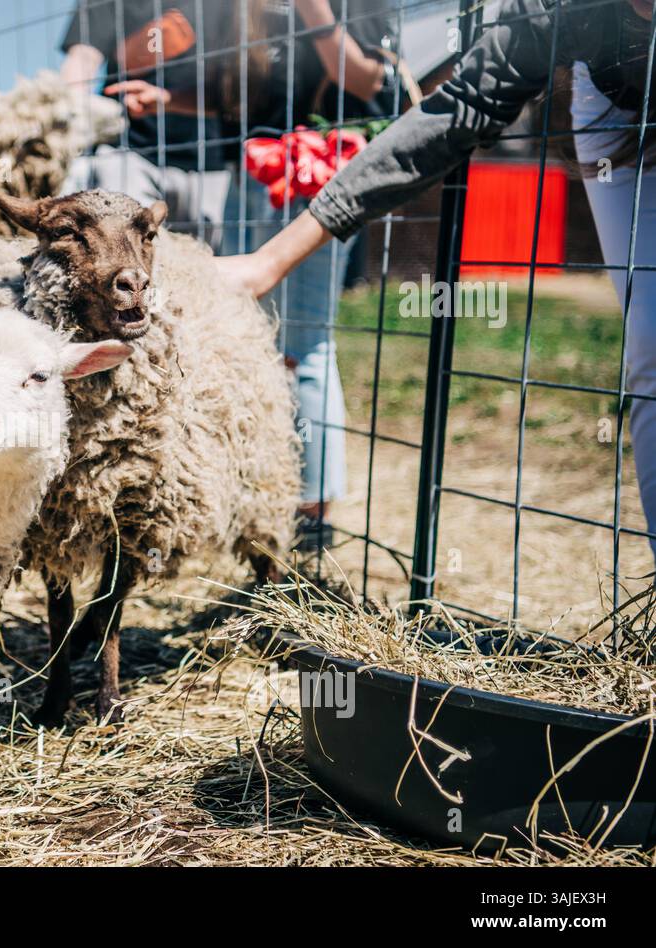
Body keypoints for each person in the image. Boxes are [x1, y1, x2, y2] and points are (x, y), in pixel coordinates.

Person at [218, 0, 656, 562]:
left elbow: (365, 74)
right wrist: (271, 260)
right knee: (649, 340)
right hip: (616, 100)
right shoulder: (553, 9)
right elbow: (453, 111)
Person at [59, 0, 402, 548]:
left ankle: (313, 520)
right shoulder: (243, 12)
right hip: (252, 174)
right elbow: (239, 105)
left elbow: (366, 83)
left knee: (307, 344)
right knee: (255, 340)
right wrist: (169, 99)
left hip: (320, 170)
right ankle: (265, 511)